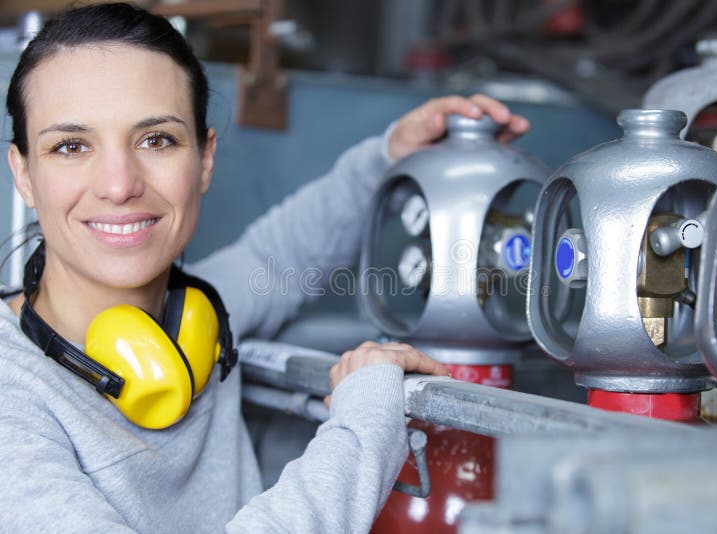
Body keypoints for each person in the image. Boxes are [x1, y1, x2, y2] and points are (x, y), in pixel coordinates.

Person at [0, 3, 530, 532]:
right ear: (23, 173)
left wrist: (392, 156)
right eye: (71, 146)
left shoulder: (198, 317)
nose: (118, 185)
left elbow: (283, 252)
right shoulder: (11, 390)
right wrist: (365, 423)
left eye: (156, 140)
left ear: (205, 160)